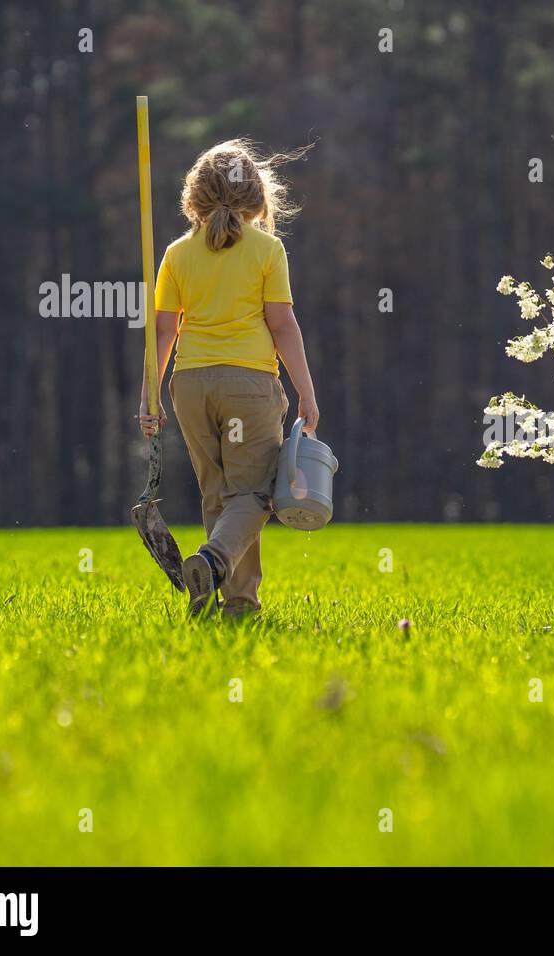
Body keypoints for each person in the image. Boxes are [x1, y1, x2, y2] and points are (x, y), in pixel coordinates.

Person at [138, 139, 319, 617]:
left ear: (194, 196)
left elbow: (163, 330)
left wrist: (148, 396)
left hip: (191, 385)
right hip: (249, 385)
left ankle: (237, 603)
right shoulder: (267, 249)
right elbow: (281, 323)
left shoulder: (177, 254)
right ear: (256, 196)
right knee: (255, 493)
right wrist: (306, 389)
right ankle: (215, 563)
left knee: (219, 493)